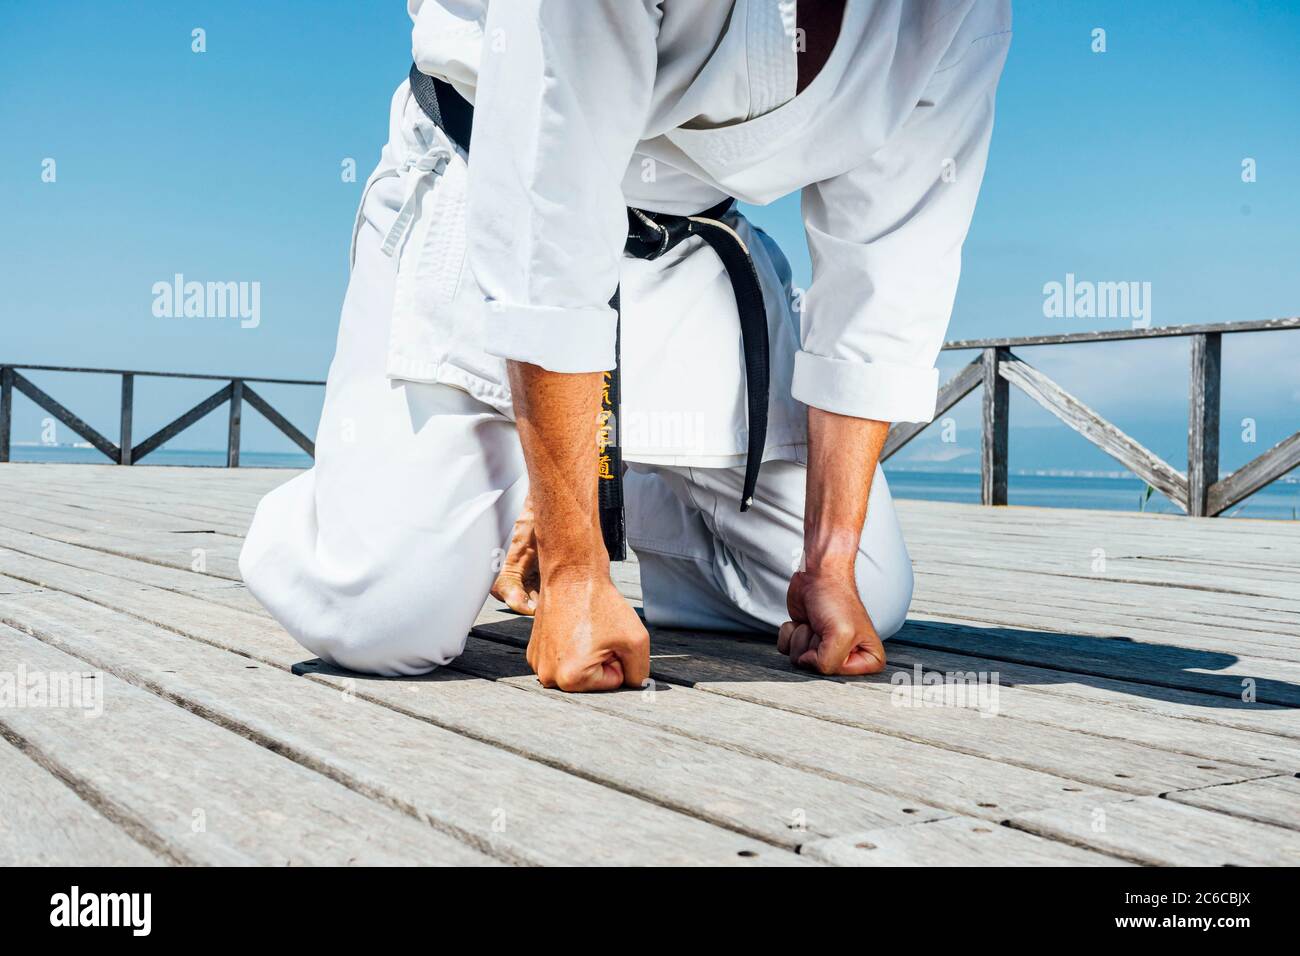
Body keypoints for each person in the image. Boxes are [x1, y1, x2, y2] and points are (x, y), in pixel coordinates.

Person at [240, 0, 1011, 691]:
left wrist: (829, 562)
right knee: (385, 614)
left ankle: (617, 475)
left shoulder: (957, 12)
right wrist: (577, 566)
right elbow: (549, 201)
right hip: (488, 192)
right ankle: (371, 492)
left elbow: (889, 266)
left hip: (693, 249)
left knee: (869, 592)